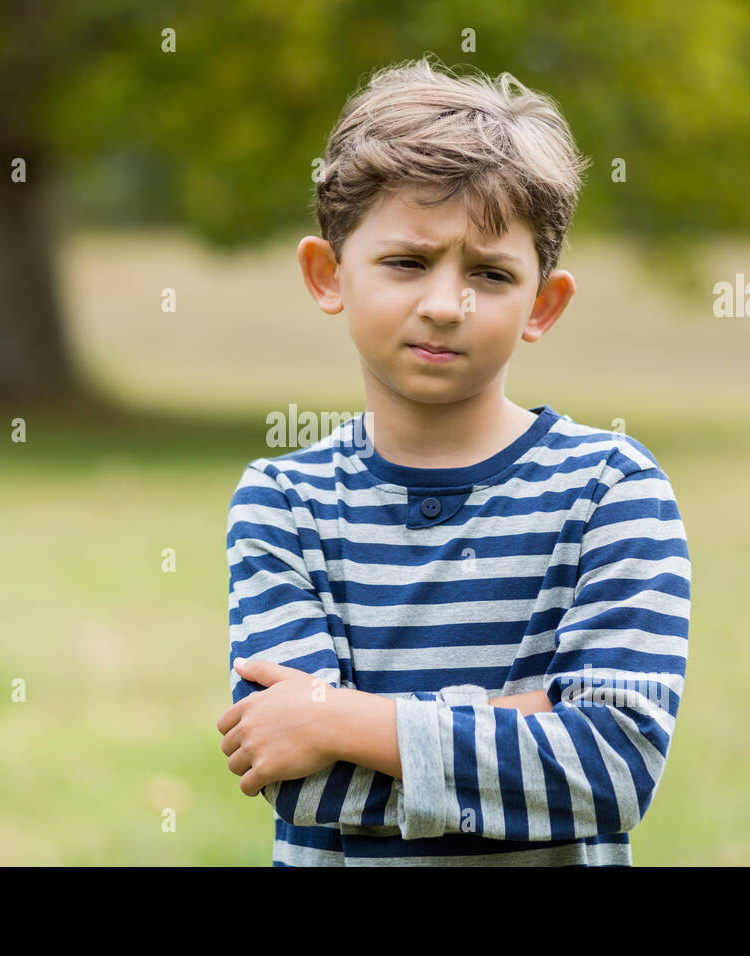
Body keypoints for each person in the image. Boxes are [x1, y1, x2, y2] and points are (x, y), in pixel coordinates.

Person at [216, 55, 691, 866]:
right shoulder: (282, 503)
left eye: (490, 273)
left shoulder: (613, 490)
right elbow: (299, 782)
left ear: (543, 303)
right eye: (406, 262)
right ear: (328, 275)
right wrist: (534, 722)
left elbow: (613, 771)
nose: (445, 304)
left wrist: (342, 721)